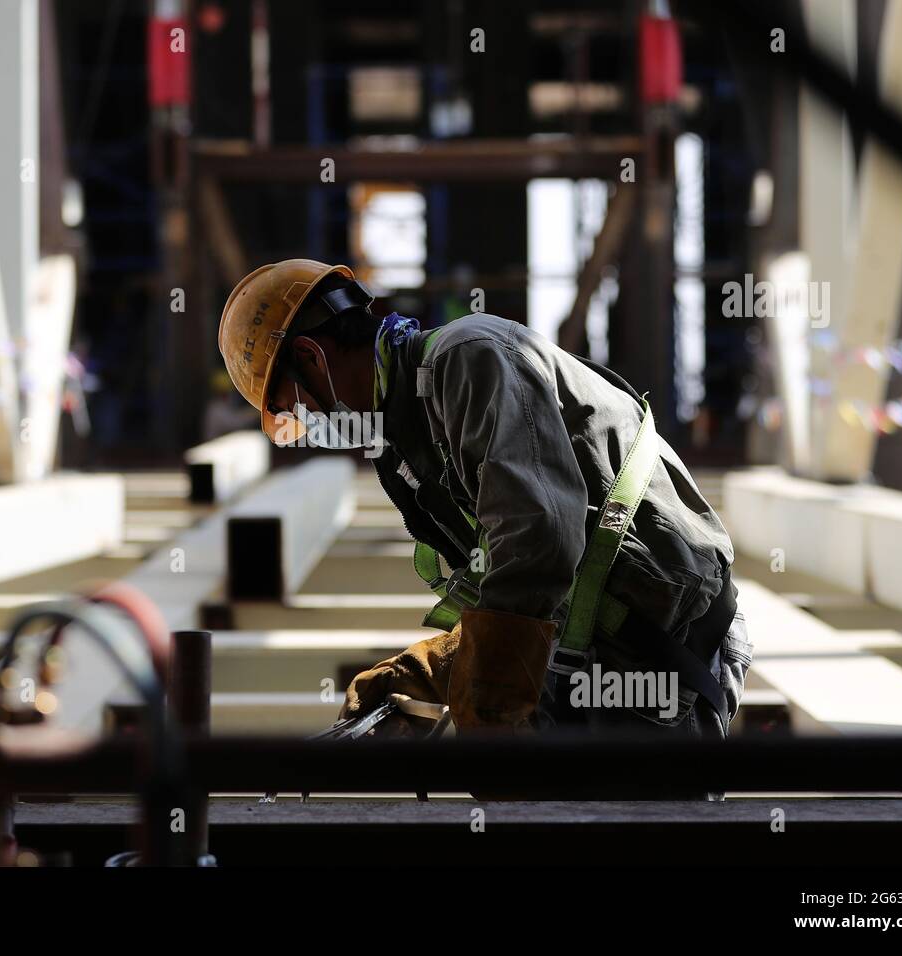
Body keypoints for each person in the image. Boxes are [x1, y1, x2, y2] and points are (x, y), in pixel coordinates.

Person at [217, 259, 752, 739]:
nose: (308, 430)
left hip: (667, 647)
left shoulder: (469, 360)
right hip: (593, 658)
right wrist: (440, 669)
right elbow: (499, 586)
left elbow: (538, 535)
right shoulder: (404, 445)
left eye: (293, 413)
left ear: (312, 357)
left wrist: (490, 691)